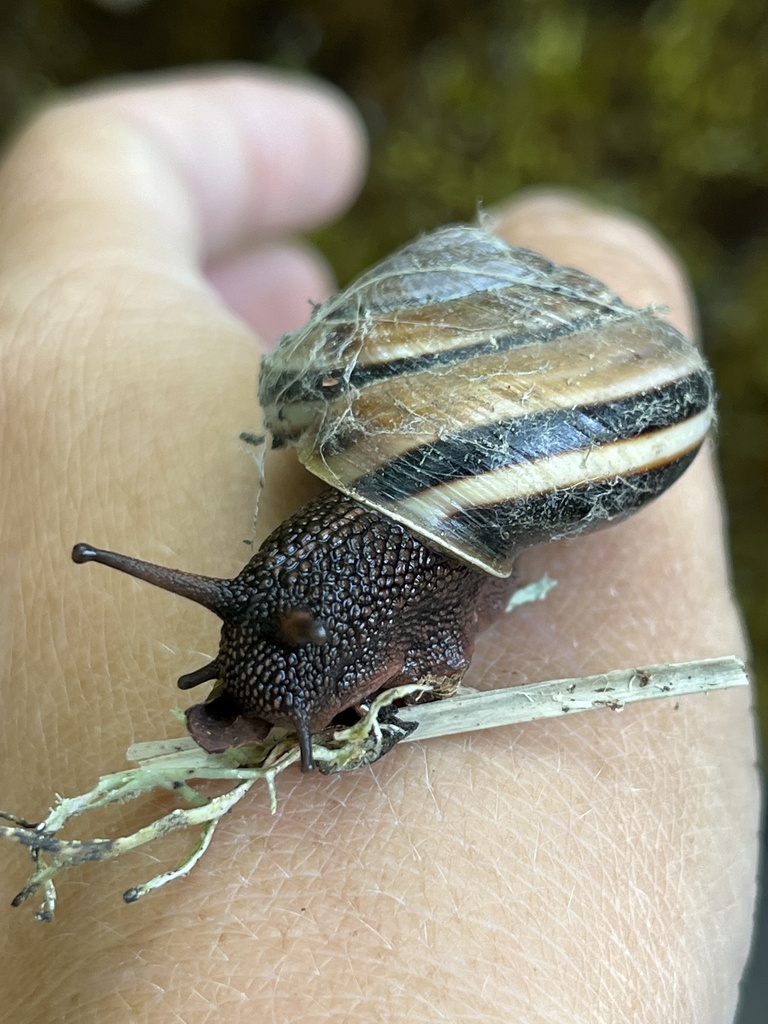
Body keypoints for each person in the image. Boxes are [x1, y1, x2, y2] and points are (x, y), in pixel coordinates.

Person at [0, 69, 758, 1023]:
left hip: (444, 465)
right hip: (416, 476)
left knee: (334, 600)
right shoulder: (344, 562)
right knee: (313, 610)